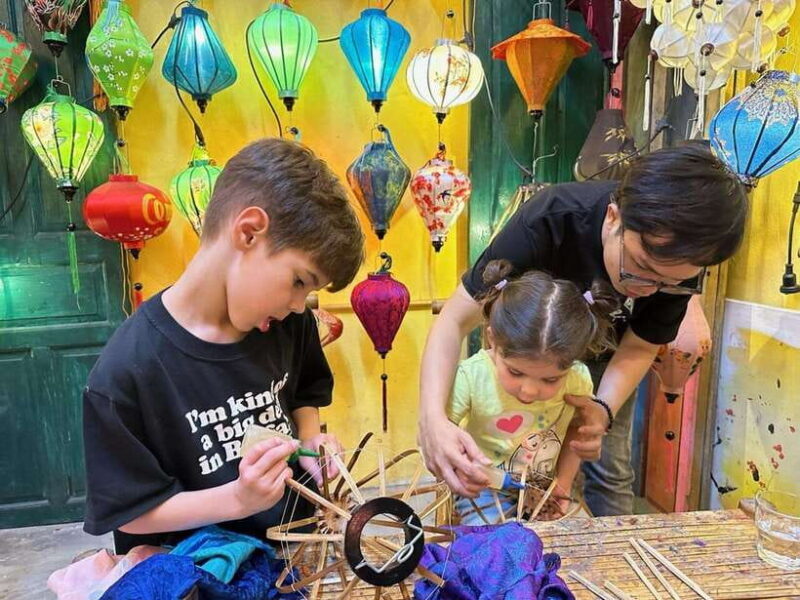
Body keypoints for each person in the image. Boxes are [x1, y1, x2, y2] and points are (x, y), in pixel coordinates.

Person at [419, 143, 748, 516]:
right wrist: (432, 418)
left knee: (608, 468)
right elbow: (453, 321)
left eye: (668, 282)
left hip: (608, 361)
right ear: (613, 217)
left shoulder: (681, 268)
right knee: (500, 452)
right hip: (526, 351)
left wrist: (602, 410)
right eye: (640, 267)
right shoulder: (550, 218)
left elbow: (641, 346)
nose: (648, 289)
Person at [82, 138, 365, 551]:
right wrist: (237, 500)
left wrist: (309, 442)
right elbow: (130, 514)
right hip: (199, 567)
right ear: (248, 232)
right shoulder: (126, 371)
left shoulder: (291, 323)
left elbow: (306, 391)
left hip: (295, 552)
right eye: (299, 281)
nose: (297, 304)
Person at [448, 260, 619, 525]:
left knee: (569, 537)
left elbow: (577, 432)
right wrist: (459, 468)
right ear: (493, 339)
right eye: (515, 372)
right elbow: (442, 434)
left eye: (550, 379)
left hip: (543, 486)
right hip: (482, 487)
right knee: (492, 541)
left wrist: (562, 484)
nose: (528, 392)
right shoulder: (472, 376)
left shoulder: (576, 379)